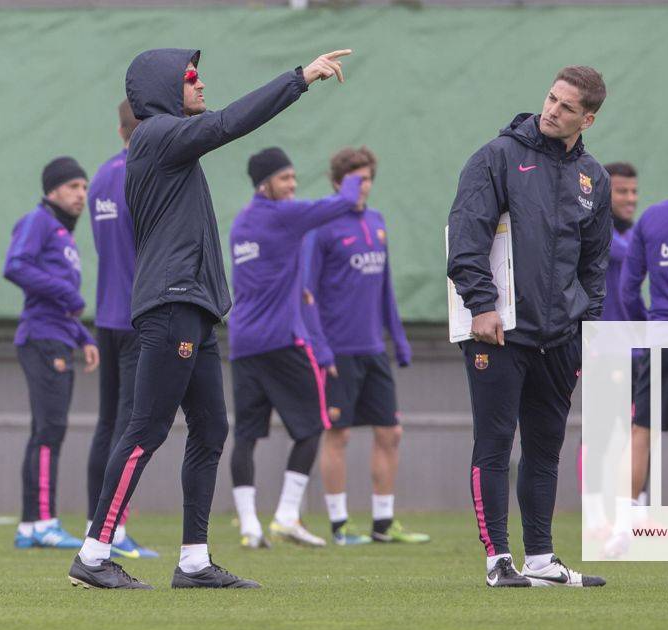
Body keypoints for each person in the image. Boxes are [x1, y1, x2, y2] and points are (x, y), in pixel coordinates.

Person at [70, 46, 352, 590]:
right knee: (146, 428)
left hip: (193, 307)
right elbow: (229, 124)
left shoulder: (170, 145)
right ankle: (93, 552)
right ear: (161, 89)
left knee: (211, 428)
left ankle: (194, 562)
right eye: (190, 77)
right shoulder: (156, 134)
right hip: (171, 305)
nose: (200, 85)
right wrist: (300, 78)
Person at [447, 66, 611, 588]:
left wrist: (588, 333)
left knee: (545, 449)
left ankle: (541, 561)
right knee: (494, 443)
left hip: (559, 337)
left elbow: (594, 266)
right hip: (498, 331)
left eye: (566, 107)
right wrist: (482, 305)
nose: (552, 110)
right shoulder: (497, 156)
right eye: (551, 98)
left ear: (587, 118)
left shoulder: (595, 179)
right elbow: (466, 237)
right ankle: (498, 561)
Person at [228, 148, 362, 549]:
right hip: (282, 341)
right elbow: (342, 202)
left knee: (246, 436)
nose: (292, 186)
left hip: (241, 345)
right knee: (312, 426)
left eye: (293, 179)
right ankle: (286, 516)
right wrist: (354, 173)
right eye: (285, 179)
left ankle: (250, 525)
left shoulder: (240, 223)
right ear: (264, 183)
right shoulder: (284, 216)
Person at [300, 146, 429, 546]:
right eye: (357, 179)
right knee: (338, 435)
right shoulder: (321, 227)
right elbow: (306, 293)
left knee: (390, 432)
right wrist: (320, 350)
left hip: (374, 350)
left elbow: (385, 288)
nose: (364, 186)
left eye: (369, 178)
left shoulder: (376, 222)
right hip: (337, 352)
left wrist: (399, 339)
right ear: (338, 183)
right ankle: (340, 527)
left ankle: (383, 524)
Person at [599, 138, 668, 558]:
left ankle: (624, 529)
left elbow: (629, 291)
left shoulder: (652, 219)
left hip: (661, 340)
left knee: (641, 431)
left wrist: (650, 328)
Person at [4, 156, 100, 550]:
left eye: (84, 187)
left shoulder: (64, 233)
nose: (82, 194)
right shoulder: (39, 221)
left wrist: (84, 337)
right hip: (42, 340)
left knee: (43, 430)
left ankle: (29, 525)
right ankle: (45, 520)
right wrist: (67, 295)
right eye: (75, 187)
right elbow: (15, 265)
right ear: (53, 190)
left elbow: (62, 305)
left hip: (56, 335)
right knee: (50, 430)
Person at [84, 99, 157, 560]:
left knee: (107, 424)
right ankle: (113, 531)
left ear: (119, 130)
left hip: (106, 315)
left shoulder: (99, 179)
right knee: (131, 428)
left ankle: (98, 526)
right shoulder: (144, 171)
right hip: (137, 315)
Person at [581, 161, 638, 542]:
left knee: (636, 432)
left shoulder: (632, 234)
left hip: (631, 347)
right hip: (601, 347)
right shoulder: (599, 232)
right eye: (622, 192)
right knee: (599, 435)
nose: (630, 199)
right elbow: (626, 253)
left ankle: (633, 512)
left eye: (634, 192)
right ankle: (593, 516)